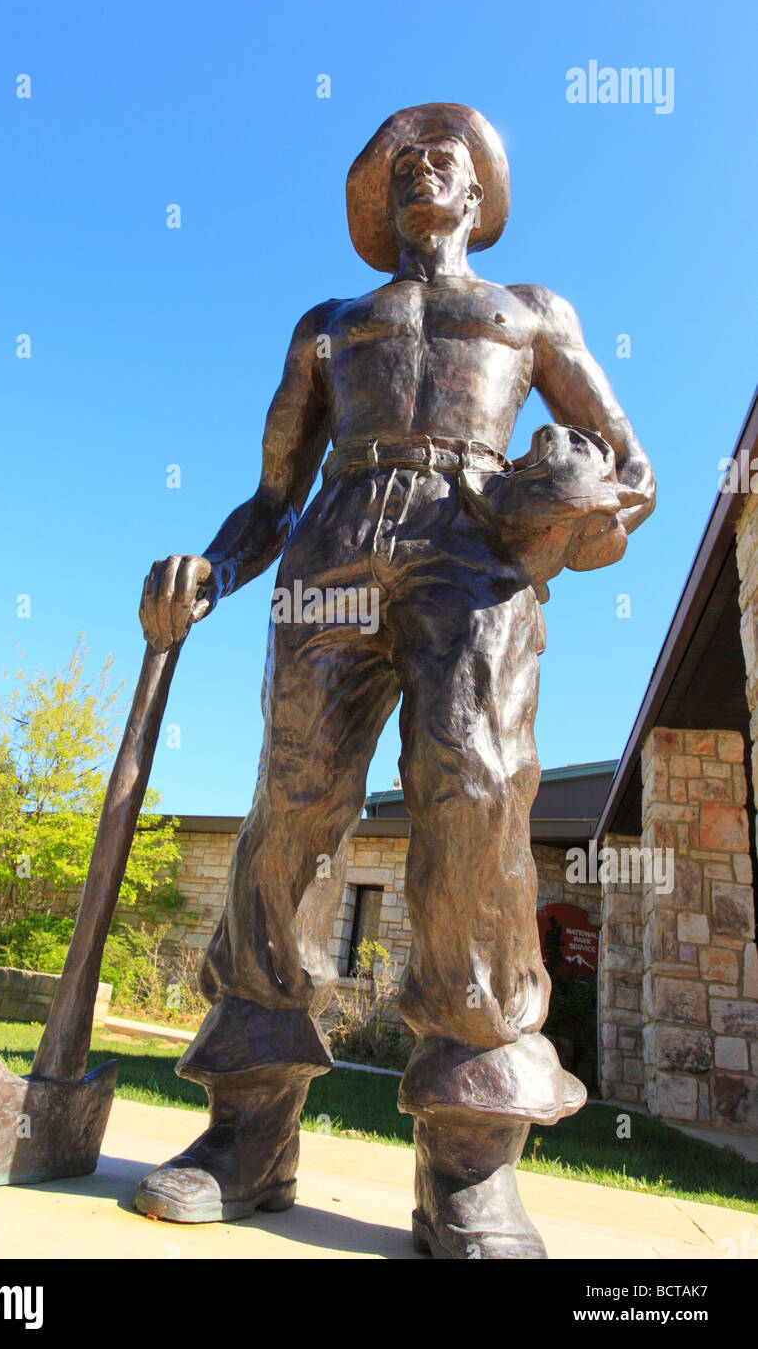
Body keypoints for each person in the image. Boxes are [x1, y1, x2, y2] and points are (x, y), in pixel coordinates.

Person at [135, 104, 655, 1258]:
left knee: (472, 791)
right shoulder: (328, 326)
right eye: (402, 158)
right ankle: (248, 1133)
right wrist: (207, 568)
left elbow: (631, 469)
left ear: (479, 196)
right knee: (293, 800)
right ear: (377, 198)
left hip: (471, 542)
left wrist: (571, 514)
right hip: (331, 544)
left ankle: (465, 1167)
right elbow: (272, 492)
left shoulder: (529, 313)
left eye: (450, 158)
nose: (427, 166)